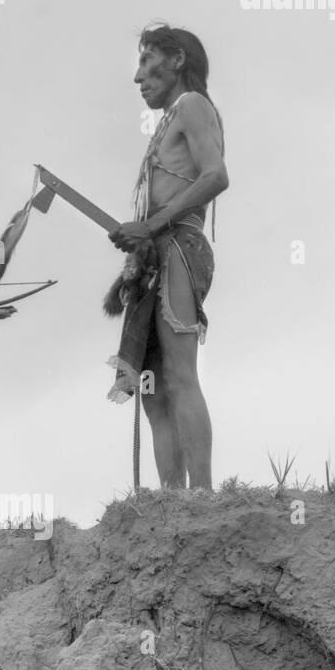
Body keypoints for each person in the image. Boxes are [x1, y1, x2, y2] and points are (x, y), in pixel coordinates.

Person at [107, 26, 229, 490]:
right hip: (157, 252)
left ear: (177, 60)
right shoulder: (171, 117)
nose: (138, 76)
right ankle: (170, 504)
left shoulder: (194, 105)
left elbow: (216, 175)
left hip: (179, 245)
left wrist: (153, 225)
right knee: (152, 390)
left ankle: (200, 496)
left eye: (146, 61)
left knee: (178, 376)